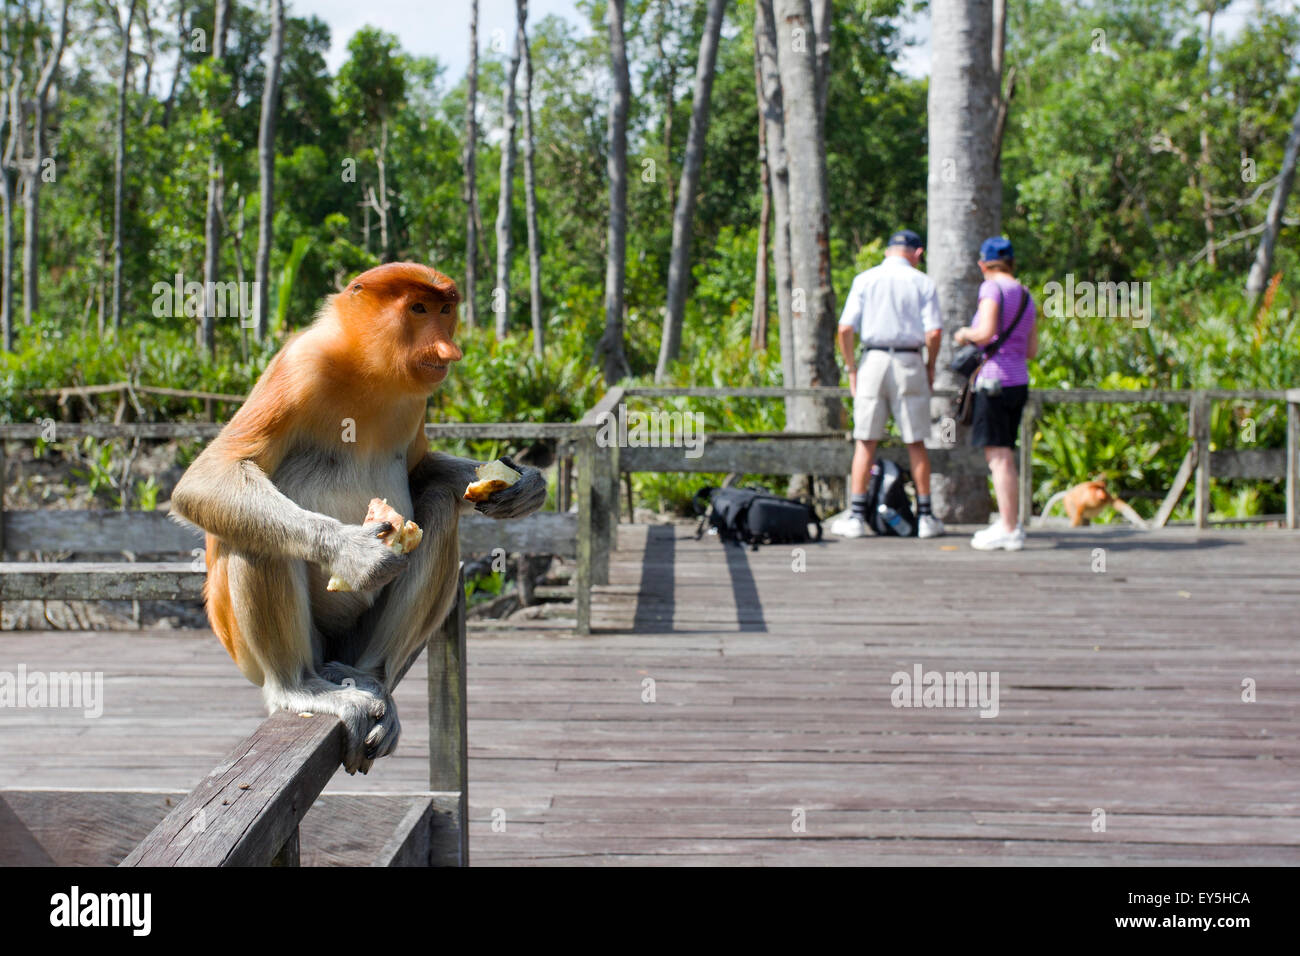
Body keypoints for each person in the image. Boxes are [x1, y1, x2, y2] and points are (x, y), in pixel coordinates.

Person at [831, 229, 944, 539]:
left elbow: (845, 328)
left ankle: (855, 516)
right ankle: (925, 517)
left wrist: (852, 367)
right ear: (917, 254)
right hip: (909, 360)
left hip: (873, 360)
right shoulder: (922, 282)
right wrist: (930, 366)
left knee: (865, 440)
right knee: (916, 441)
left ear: (887, 252)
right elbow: (934, 332)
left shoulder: (865, 279)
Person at [953, 236, 1038, 551]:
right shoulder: (1026, 295)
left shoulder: (991, 288)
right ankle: (1009, 523)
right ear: (1012, 262)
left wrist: (965, 334)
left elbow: (986, 332)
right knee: (1006, 454)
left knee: (998, 457)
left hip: (994, 382)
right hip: (1018, 381)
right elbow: (1031, 349)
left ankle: (1008, 527)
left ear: (982, 265)